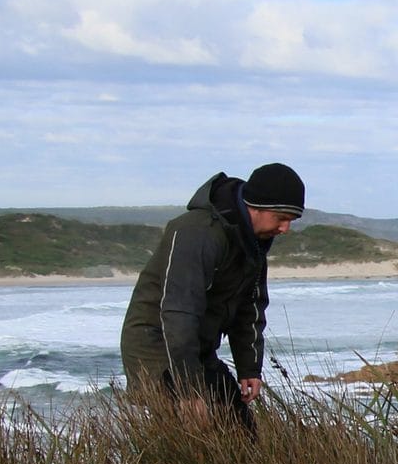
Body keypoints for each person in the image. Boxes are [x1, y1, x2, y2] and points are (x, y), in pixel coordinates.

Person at [120, 163, 305, 433]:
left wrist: (249, 368)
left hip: (198, 347)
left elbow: (251, 308)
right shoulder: (197, 233)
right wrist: (188, 392)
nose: (285, 228)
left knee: (242, 432)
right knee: (194, 434)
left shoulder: (253, 241)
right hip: (157, 345)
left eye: (291, 220)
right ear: (256, 206)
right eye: (281, 218)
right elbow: (179, 313)